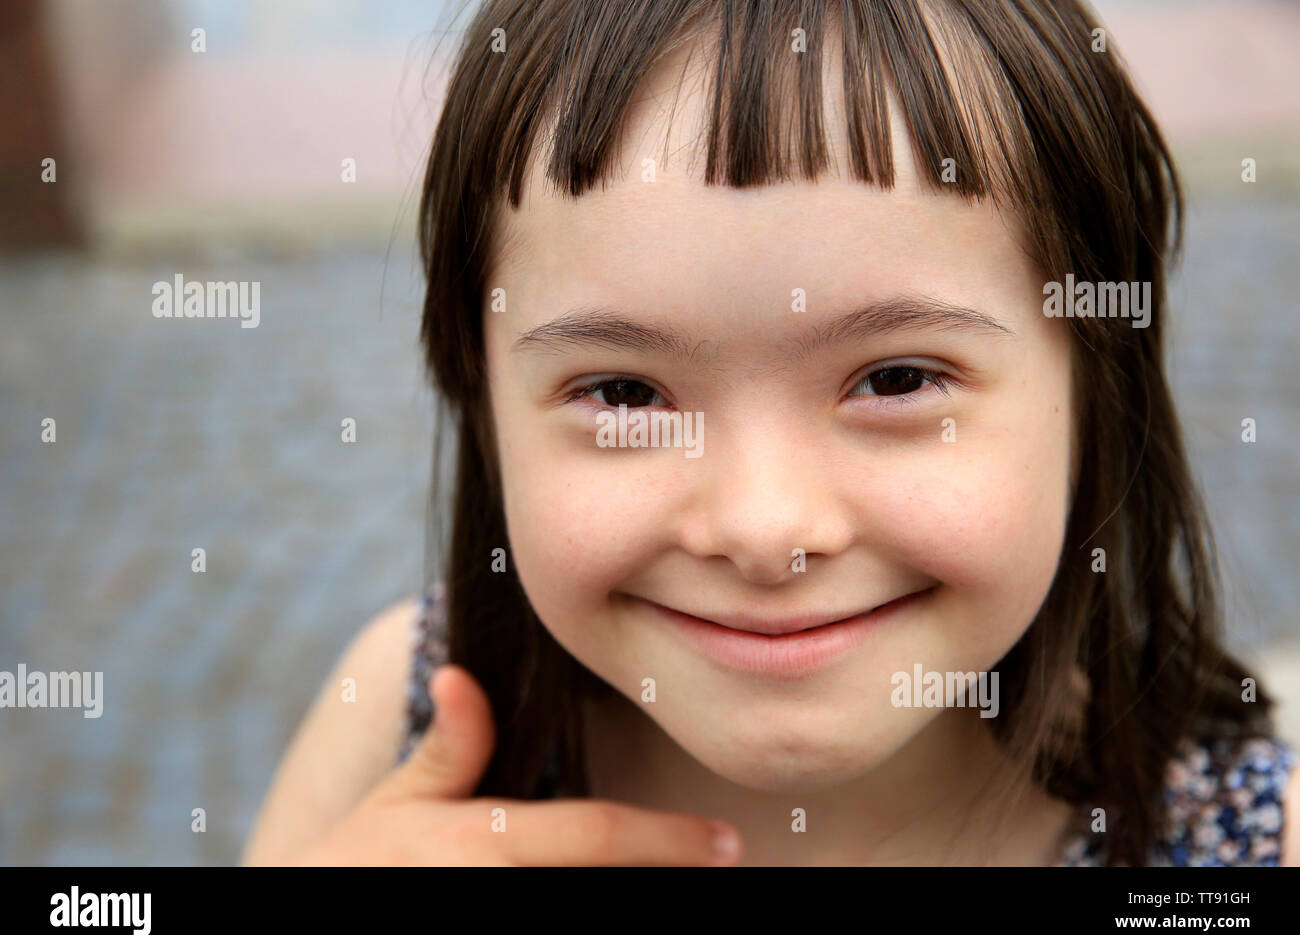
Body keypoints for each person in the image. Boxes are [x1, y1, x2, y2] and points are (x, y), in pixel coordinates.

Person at [241, 0, 1297, 866]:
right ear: (480, 396)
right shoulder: (400, 726)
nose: (765, 529)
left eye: (896, 378)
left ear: (1094, 385)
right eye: (624, 393)